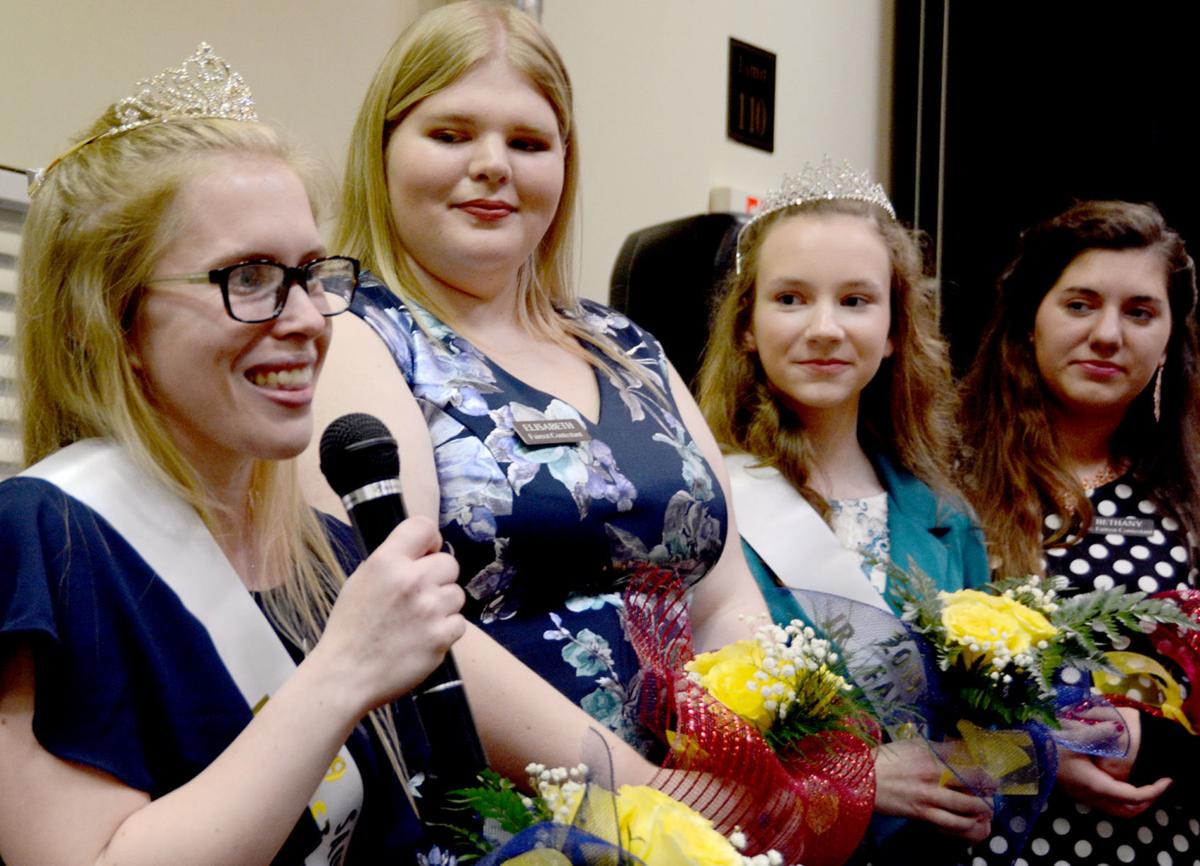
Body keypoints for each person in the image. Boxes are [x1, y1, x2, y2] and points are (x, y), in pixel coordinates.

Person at [0, 45, 464, 865]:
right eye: (250, 277)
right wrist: (341, 674)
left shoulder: (331, 550)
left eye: (311, 272)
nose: (310, 319)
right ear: (111, 320)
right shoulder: (45, 542)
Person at [301, 0, 768, 792]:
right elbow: (404, 618)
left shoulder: (627, 345)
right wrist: (647, 795)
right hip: (496, 814)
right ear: (382, 150)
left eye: (527, 142)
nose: (493, 164)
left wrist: (744, 752)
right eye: (450, 134)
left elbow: (723, 596)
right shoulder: (348, 333)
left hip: (704, 800)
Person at [695, 161, 993, 864]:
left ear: (895, 330)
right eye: (791, 298)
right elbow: (669, 732)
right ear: (746, 325)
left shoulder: (948, 519)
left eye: (856, 301)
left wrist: (988, 768)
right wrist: (847, 780)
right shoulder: (703, 502)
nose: (824, 328)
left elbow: (1001, 729)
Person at [959, 200, 1200, 866]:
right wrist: (1032, 755)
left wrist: (1145, 742)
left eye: (1140, 313)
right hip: (981, 840)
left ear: (1171, 338)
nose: (1107, 335)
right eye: (1080, 304)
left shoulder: (1190, 498)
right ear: (1029, 318)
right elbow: (889, 702)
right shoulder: (941, 482)